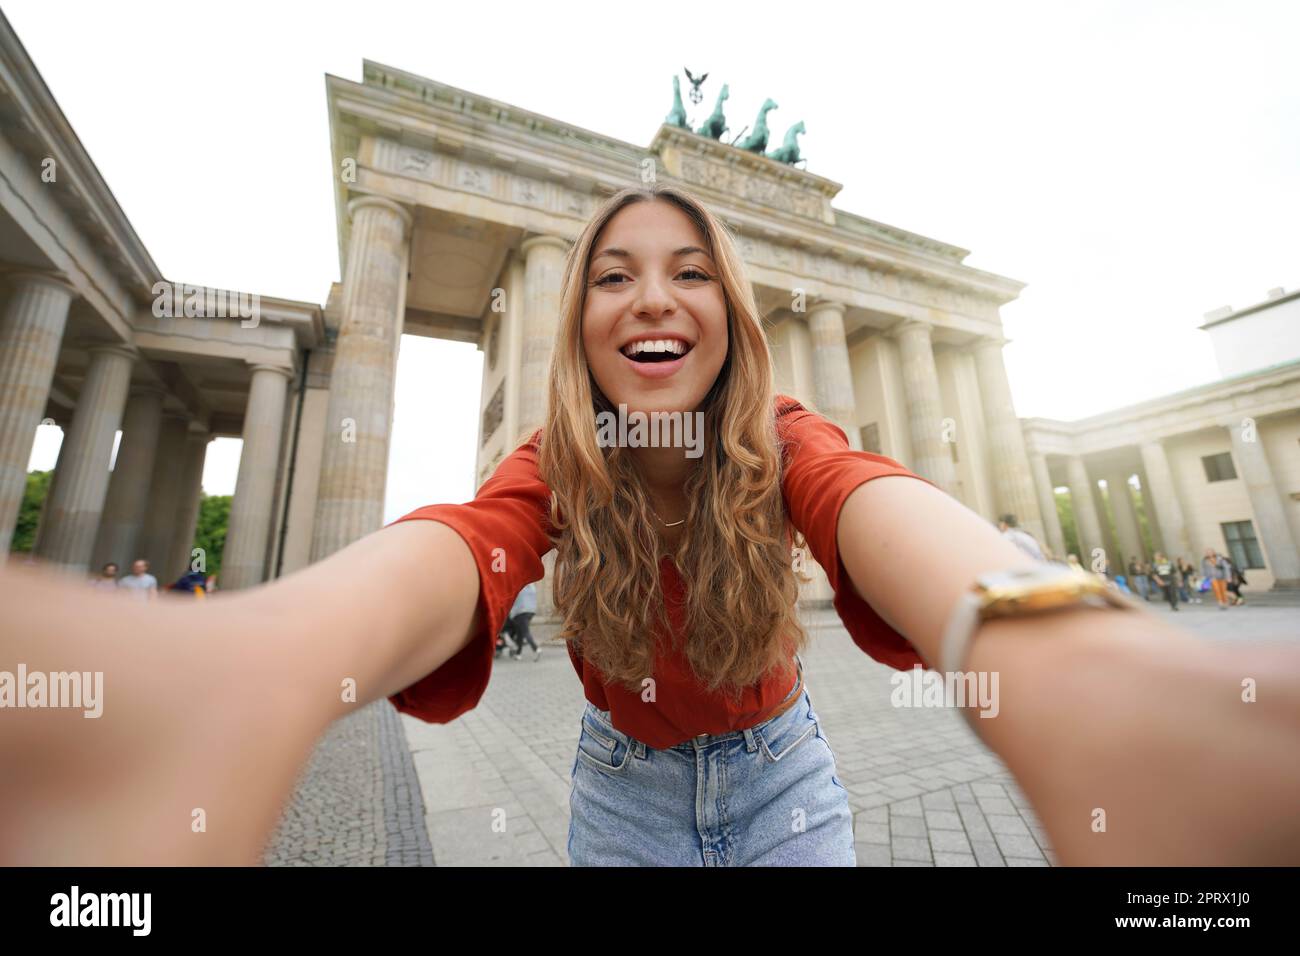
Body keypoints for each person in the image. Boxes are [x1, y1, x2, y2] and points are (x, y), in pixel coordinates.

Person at [2, 183, 1299, 867]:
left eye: (689, 271)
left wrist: (1068, 654)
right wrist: (258, 659)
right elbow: (459, 546)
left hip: (787, 779)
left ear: (731, 315)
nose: (649, 296)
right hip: (618, 802)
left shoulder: (784, 436)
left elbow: (888, 511)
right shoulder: (564, 461)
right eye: (611, 273)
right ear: (576, 326)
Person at [506, 582, 540, 661]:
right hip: (530, 611)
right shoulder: (531, 586)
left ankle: (536, 649)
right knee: (520, 633)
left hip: (520, 612)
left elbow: (511, 599)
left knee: (525, 632)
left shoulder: (517, 585)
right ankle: (518, 654)